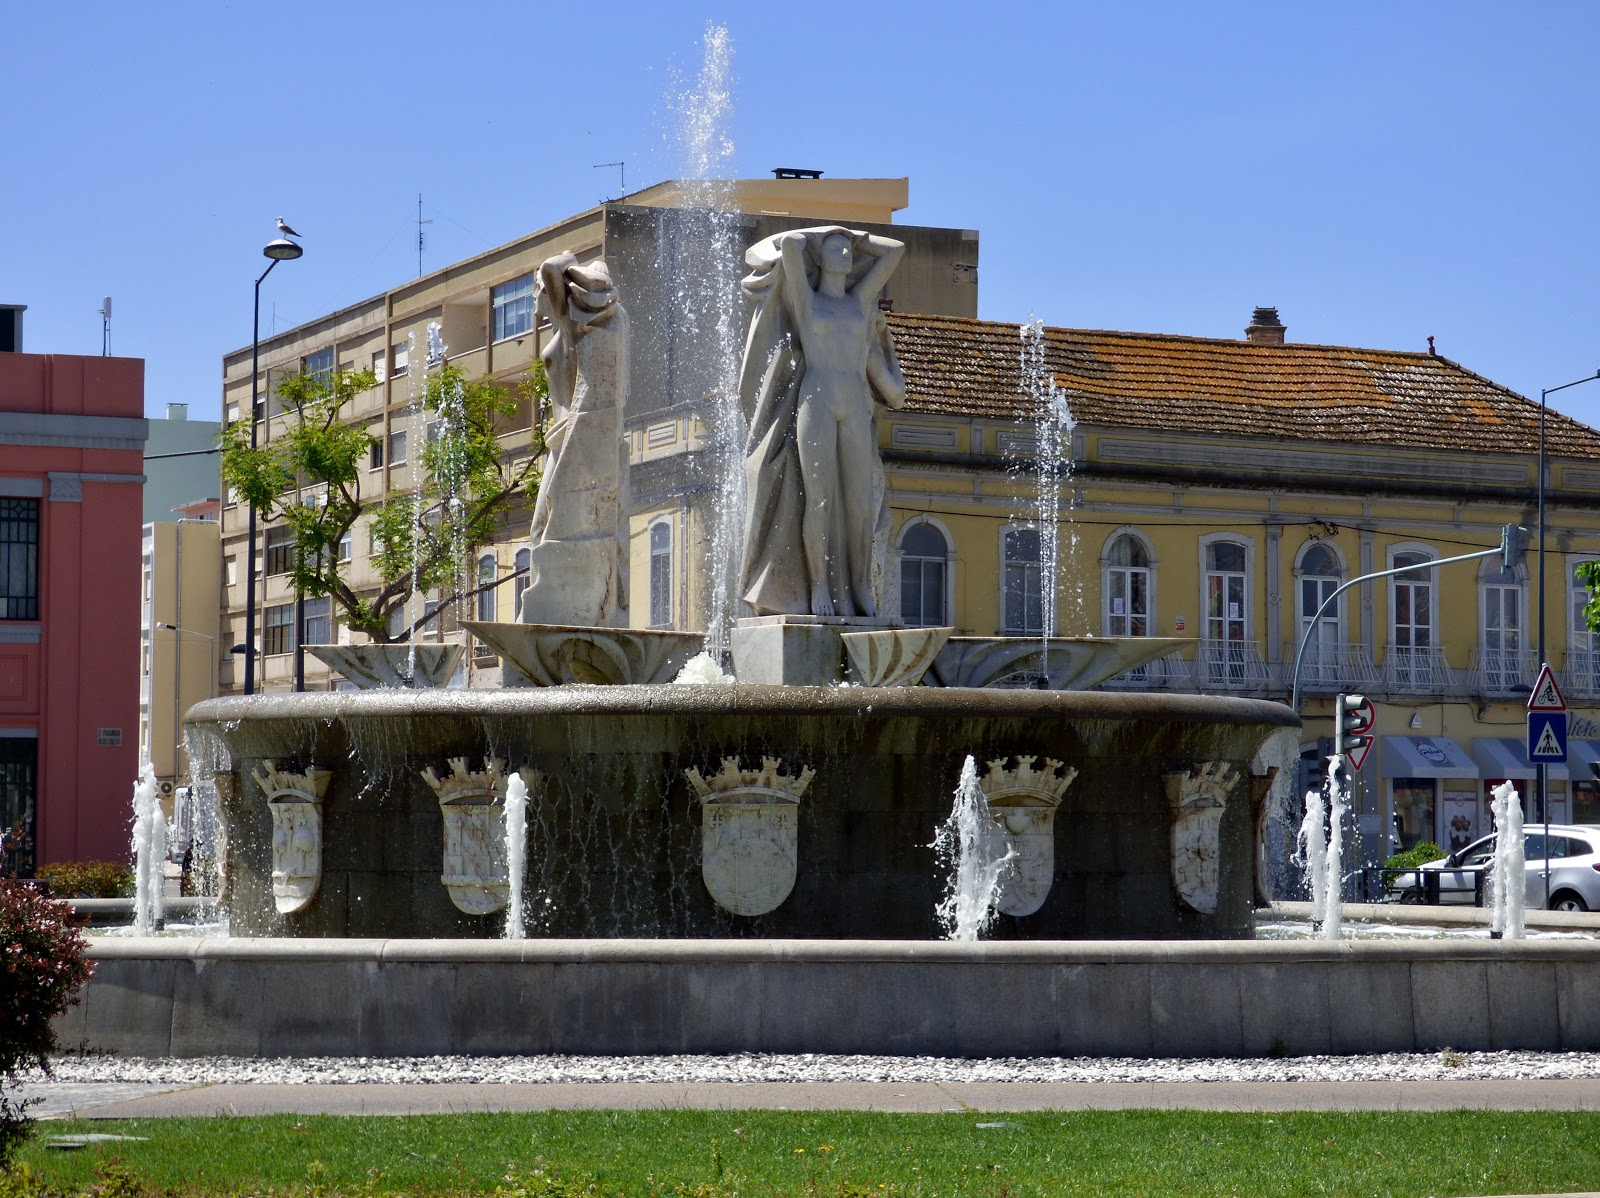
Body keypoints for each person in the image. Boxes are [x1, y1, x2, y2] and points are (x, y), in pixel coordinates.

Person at [738, 226, 906, 617]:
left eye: (848, 251)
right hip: (816, 402)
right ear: (821, 257)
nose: (845, 254)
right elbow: (792, 245)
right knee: (821, 501)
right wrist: (822, 233)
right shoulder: (807, 301)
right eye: (835, 249)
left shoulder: (860, 301)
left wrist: (856, 237)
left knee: (861, 505)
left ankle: (860, 585)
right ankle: (818, 587)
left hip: (853, 407)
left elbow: (895, 250)